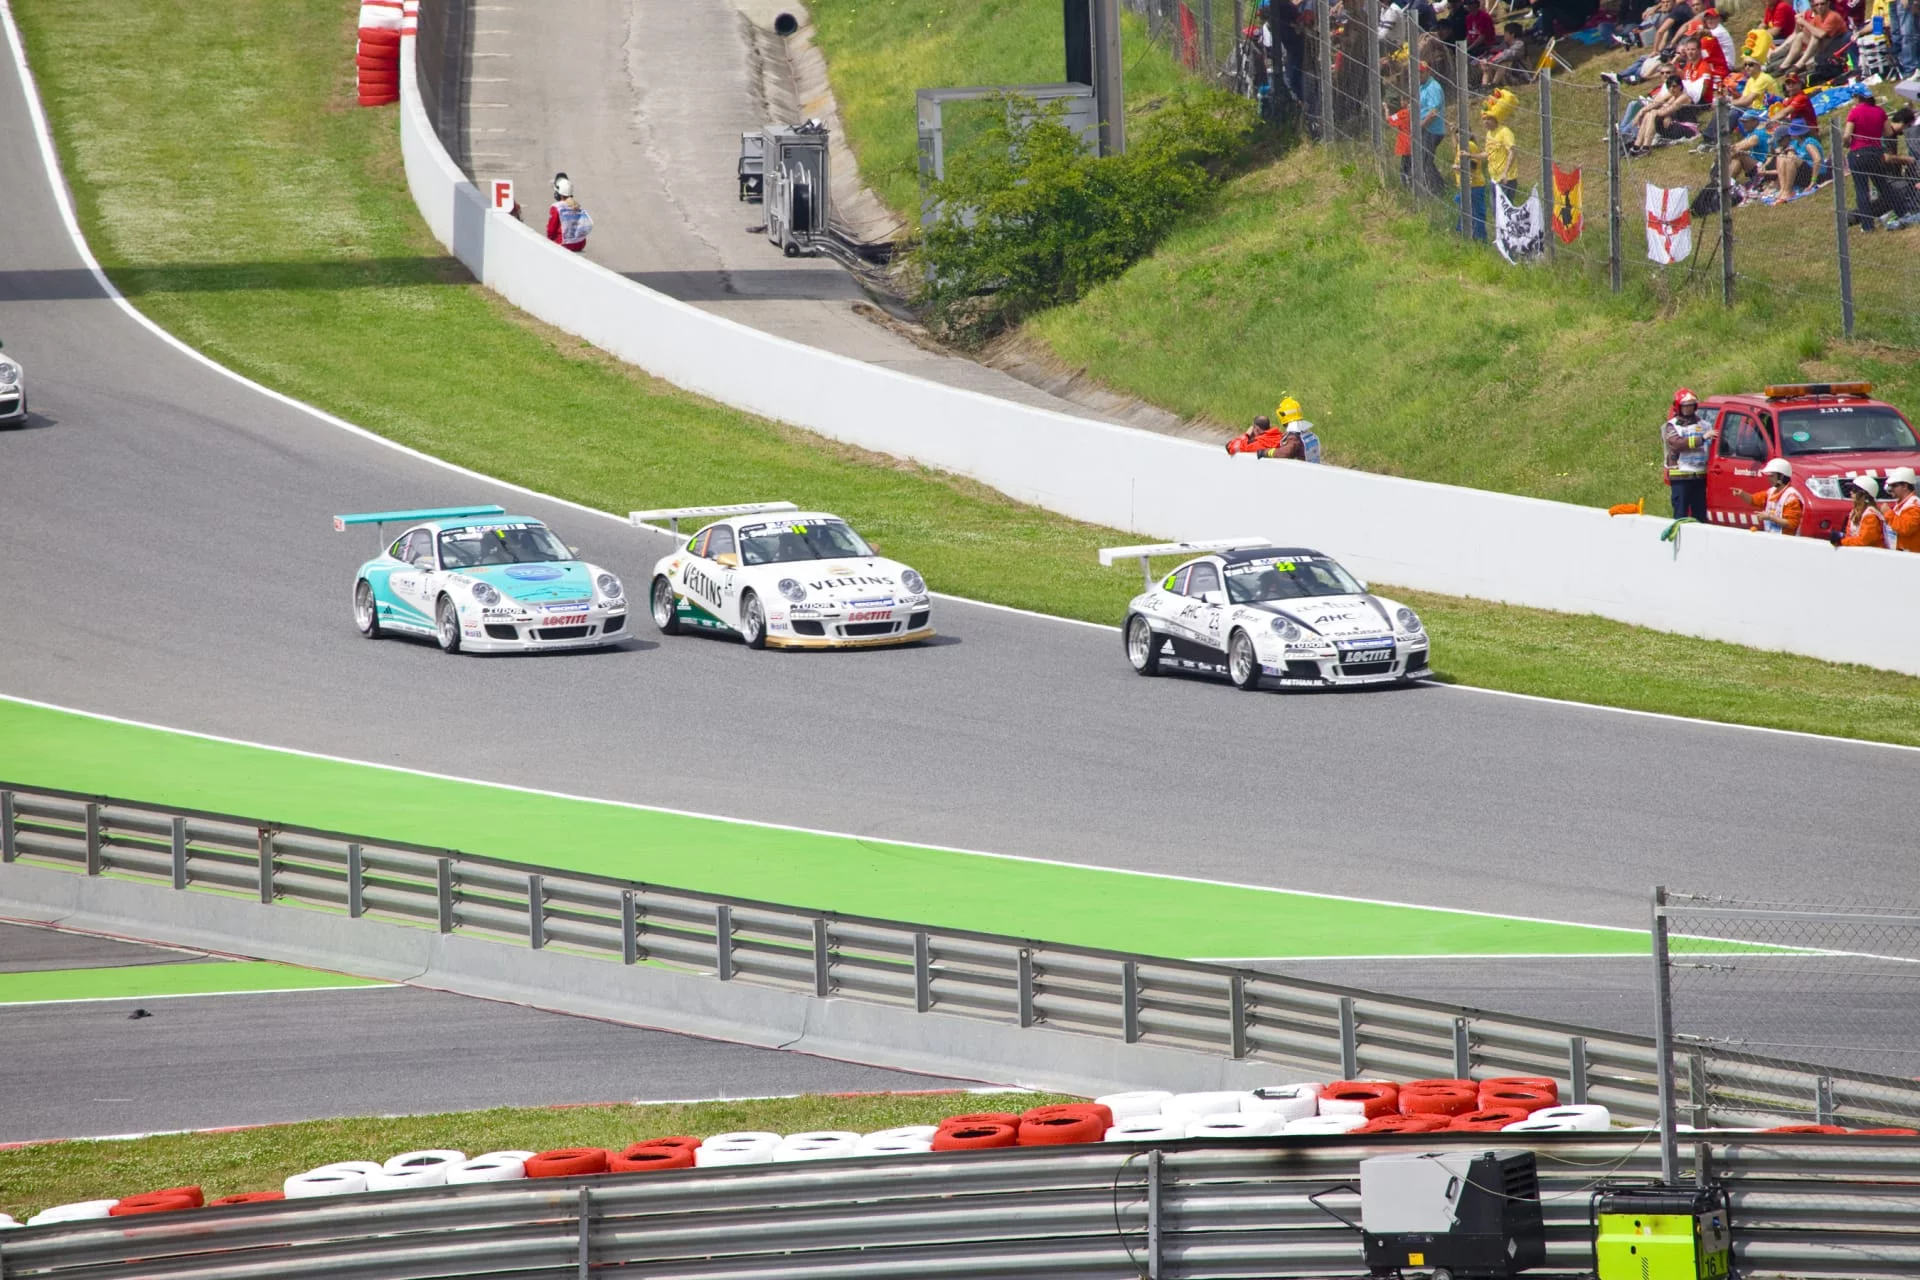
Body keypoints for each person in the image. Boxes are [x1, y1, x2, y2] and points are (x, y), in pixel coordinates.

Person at [1844, 88, 1903, 224]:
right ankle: (1902, 212)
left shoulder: (1855, 111)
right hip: (1876, 153)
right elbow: (1888, 132)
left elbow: (1847, 134)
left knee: (1862, 190)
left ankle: (1867, 225)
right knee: (1884, 186)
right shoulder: (1880, 111)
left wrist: (1846, 142)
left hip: (1858, 153)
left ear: (1858, 97)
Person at [1662, 388, 1714, 520]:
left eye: (1691, 406)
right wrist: (1702, 439)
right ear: (1678, 407)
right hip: (1681, 476)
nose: (1688, 409)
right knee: (1681, 514)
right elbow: (1677, 443)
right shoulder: (1672, 426)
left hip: (1699, 475)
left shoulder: (1705, 425)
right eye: (1685, 406)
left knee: (1700, 515)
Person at [1731, 457, 1805, 534]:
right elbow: (1753, 500)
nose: (1768, 479)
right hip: (1772, 539)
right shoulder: (1771, 492)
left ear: (1782, 477)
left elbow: (1792, 524)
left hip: (1787, 541)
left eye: (1771, 476)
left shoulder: (1791, 498)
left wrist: (1770, 517)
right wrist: (1742, 494)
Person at [1773, 0, 1847, 71]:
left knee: (1815, 37)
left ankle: (1799, 64)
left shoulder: (1832, 16)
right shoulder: (1818, 17)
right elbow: (1800, 32)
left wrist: (1804, 22)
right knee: (1800, 36)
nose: (1820, 7)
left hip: (1838, 47)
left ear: (1828, 4)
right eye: (1817, 5)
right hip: (1823, 46)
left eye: (1822, 4)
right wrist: (1798, 22)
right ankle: (1784, 65)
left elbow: (1821, 34)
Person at [1834, 475, 1892, 547]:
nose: (1851, 492)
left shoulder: (1871, 516)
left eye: (1854, 490)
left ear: (1864, 495)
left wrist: (1841, 542)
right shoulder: (1854, 512)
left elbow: (1864, 541)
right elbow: (1849, 535)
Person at [1418, 63, 1448, 191]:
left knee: (1425, 160)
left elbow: (1434, 111)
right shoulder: (1421, 87)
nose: (1418, 75)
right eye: (1416, 73)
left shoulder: (1433, 87)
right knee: (1424, 159)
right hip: (1425, 128)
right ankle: (1434, 185)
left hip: (1432, 130)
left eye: (1421, 72)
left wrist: (1422, 125)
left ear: (1427, 71)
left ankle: (1437, 188)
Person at [545, 173, 592, 253]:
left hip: (564, 244)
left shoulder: (556, 207)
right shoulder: (577, 206)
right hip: (580, 244)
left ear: (558, 194)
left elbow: (551, 232)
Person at [1273, 396, 1324, 461]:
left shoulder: (1294, 437)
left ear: (1283, 416)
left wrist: (1267, 452)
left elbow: (1285, 453)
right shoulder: (1309, 435)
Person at [1885, 466, 1920, 550]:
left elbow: (1905, 528)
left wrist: (1888, 513)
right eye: (1889, 486)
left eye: (1894, 486)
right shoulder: (1901, 504)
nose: (1890, 489)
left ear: (1904, 486)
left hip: (1912, 556)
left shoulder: (1914, 506)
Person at [1387, 95, 1414, 185]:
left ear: (1407, 101)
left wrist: (1386, 109)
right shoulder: (1416, 112)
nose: (1401, 103)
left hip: (1405, 143)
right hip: (1414, 141)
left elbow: (1389, 119)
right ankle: (1411, 181)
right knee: (1411, 163)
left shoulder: (1403, 113)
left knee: (1404, 166)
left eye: (1402, 101)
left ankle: (1406, 184)